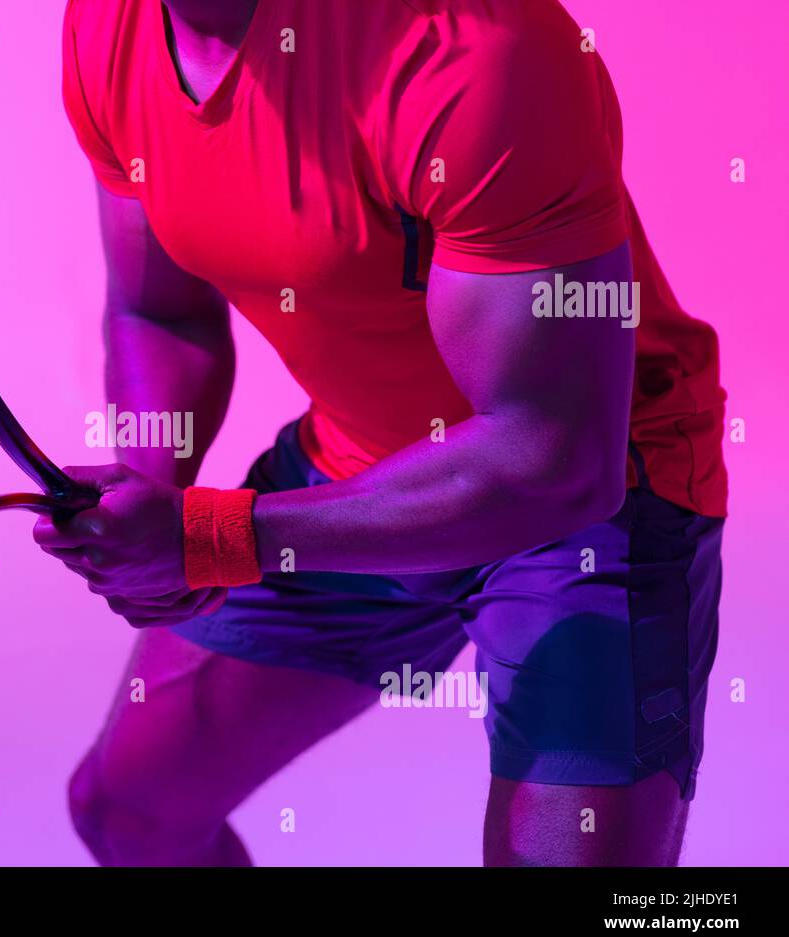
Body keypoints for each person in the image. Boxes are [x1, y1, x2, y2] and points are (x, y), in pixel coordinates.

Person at [38, 0, 728, 866]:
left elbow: (552, 458)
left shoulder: (477, 54)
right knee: (129, 813)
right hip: (357, 465)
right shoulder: (109, 29)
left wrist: (210, 540)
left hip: (595, 500)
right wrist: (151, 496)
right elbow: (159, 311)